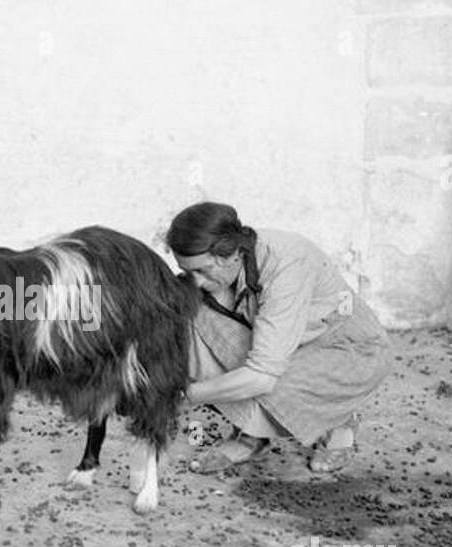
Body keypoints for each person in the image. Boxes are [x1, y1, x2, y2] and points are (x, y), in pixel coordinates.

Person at [167, 201, 392, 473]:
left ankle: (339, 422)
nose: (196, 281)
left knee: (271, 382)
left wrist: (184, 395)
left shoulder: (287, 263)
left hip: (345, 349)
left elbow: (261, 375)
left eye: (202, 271)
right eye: (187, 270)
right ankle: (252, 435)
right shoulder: (227, 265)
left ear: (231, 255)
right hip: (286, 343)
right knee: (193, 317)